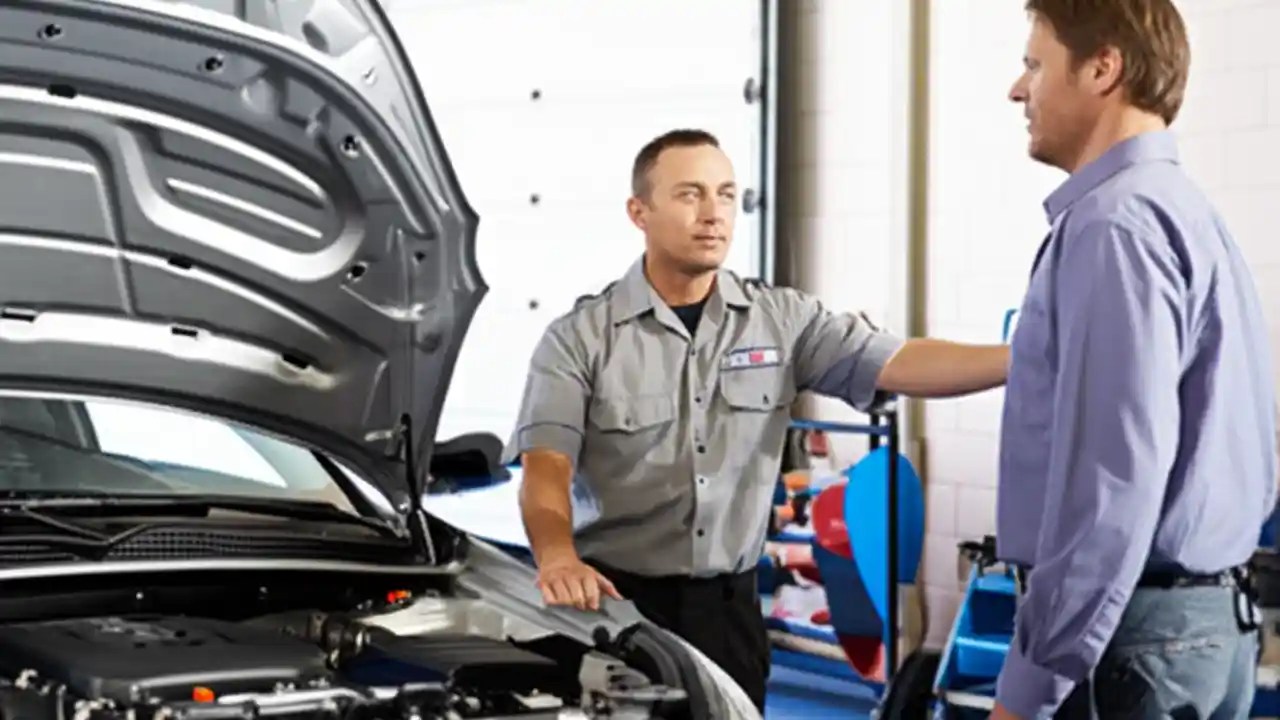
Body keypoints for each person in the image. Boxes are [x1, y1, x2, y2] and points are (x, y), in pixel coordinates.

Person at [503, 127, 1009, 711]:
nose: (713, 214)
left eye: (725, 194)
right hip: (616, 605)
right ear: (638, 212)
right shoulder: (578, 340)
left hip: (730, 615)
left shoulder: (781, 321)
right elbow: (545, 470)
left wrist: (1022, 358)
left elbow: (897, 360)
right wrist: (557, 554)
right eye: (690, 194)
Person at [993, 2, 1278, 718]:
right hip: (1201, 629)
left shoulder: (1114, 224)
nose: (1017, 89)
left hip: (1133, 643)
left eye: (1034, 63)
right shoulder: (1183, 210)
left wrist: (1029, 688)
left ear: (1102, 68)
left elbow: (1110, 484)